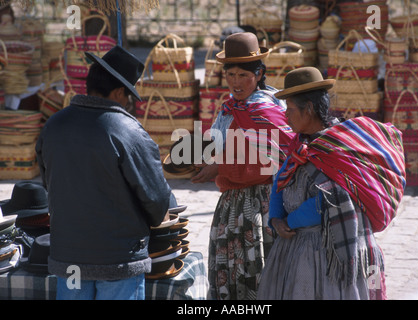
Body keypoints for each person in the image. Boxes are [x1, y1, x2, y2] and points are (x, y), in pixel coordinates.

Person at [257, 67, 406, 300]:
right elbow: (281, 178)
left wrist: (289, 221)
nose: (286, 115)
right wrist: (275, 217)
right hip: (297, 244)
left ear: (309, 109)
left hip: (331, 251)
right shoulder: (300, 145)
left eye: (291, 109)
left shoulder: (337, 147)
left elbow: (332, 200)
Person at [35, 46, 172, 300]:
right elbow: (156, 200)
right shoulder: (129, 131)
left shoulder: (53, 125)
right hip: (117, 261)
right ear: (120, 92)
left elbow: (49, 182)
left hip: (70, 260)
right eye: (129, 95)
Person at [191, 32, 295, 300]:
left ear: (259, 74)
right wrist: (196, 155)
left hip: (260, 204)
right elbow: (217, 142)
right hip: (231, 205)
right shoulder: (229, 109)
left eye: (243, 75)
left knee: (256, 271)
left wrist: (217, 168)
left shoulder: (266, 109)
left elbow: (272, 159)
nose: (236, 82)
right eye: (231, 75)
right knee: (231, 273)